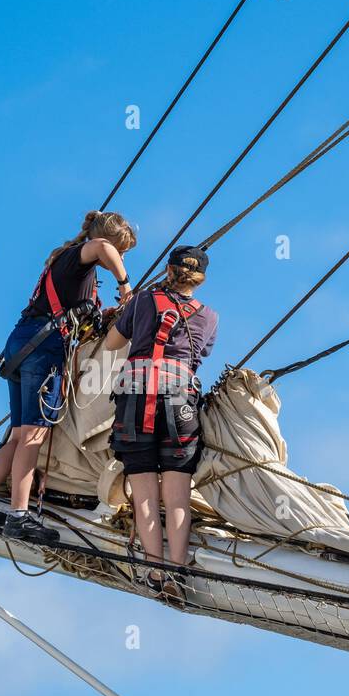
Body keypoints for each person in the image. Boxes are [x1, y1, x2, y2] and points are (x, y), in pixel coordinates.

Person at [0, 210, 137, 544]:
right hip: (43, 348)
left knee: (19, 435)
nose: (119, 257)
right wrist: (125, 287)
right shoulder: (83, 255)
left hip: (21, 343)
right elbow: (103, 246)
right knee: (34, 437)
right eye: (123, 250)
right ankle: (19, 516)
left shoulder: (64, 264)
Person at [103, 246, 218, 601]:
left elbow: (111, 344)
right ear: (199, 280)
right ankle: (177, 573)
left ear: (168, 270)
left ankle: (155, 569)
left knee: (145, 496)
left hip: (136, 399)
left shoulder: (141, 302)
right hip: (180, 403)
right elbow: (200, 355)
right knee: (178, 497)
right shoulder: (209, 317)